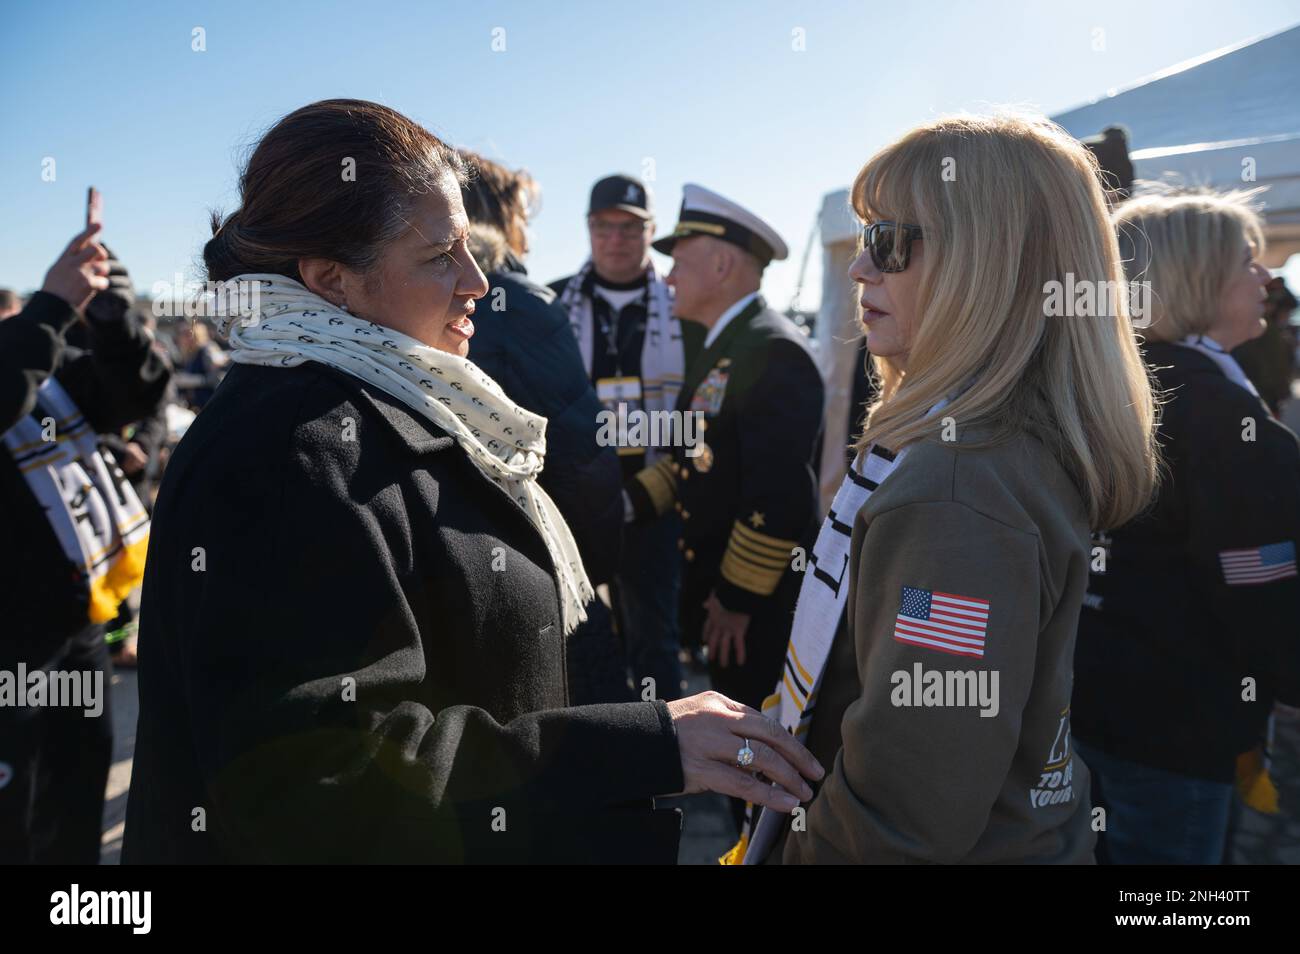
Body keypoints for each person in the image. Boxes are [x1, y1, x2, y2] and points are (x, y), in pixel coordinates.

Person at [121, 99, 822, 865]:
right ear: (330, 280)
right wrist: (641, 745)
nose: (479, 281)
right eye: (440, 256)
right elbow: (323, 789)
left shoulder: (386, 400)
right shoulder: (288, 453)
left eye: (470, 246)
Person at [732, 113, 1159, 865]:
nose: (862, 269)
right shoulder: (997, 445)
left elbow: (897, 824)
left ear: (989, 265)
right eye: (865, 239)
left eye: (890, 242)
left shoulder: (956, 489)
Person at [1072, 189, 1300, 865]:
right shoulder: (1221, 414)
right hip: (1180, 724)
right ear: (1195, 280)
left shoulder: (1100, 387)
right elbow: (1258, 584)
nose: (1267, 279)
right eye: (1248, 262)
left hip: (1088, 703)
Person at [625, 184, 825, 828]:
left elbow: (779, 496)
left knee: (764, 756)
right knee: (747, 759)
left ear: (721, 266)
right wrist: (625, 506)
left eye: (680, 258)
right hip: (722, 595)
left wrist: (735, 600)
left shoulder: (774, 351)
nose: (669, 273)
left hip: (756, 611)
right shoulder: (720, 347)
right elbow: (694, 461)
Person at [1, 225, 170, 863]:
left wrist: (111, 318)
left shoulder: (34, 362)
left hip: (73, 632)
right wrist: (49, 307)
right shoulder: (22, 348)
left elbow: (134, 393)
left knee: (73, 809)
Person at [458, 150, 629, 705]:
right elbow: (585, 461)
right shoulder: (522, 305)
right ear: (499, 217)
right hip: (542, 583)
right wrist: (597, 569)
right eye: (523, 218)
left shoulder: (419, 301)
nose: (527, 237)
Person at [552, 175, 691, 701]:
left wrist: (667, 479)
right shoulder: (554, 301)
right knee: (575, 630)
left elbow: (703, 412)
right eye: (604, 226)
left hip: (653, 494)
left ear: (650, 232)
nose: (616, 239)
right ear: (589, 230)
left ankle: (678, 751)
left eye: (630, 229)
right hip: (577, 497)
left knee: (655, 636)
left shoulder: (681, 304)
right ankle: (601, 743)